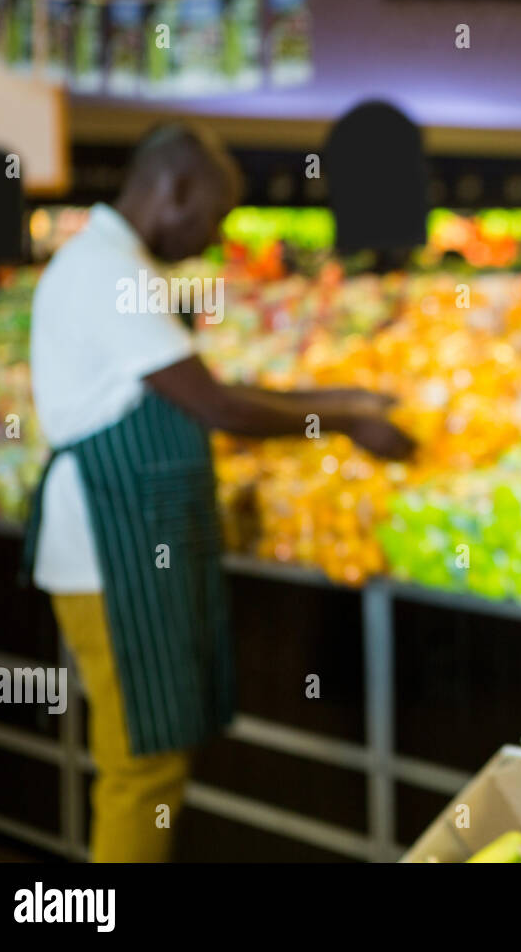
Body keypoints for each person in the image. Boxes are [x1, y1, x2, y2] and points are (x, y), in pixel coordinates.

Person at [20, 122, 415, 862]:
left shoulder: (110, 262)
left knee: (152, 758)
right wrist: (347, 424)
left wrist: (343, 395)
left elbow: (210, 390)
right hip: (113, 551)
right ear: (174, 191)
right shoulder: (108, 271)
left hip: (132, 544)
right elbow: (219, 406)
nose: (211, 238)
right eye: (213, 217)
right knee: (142, 768)